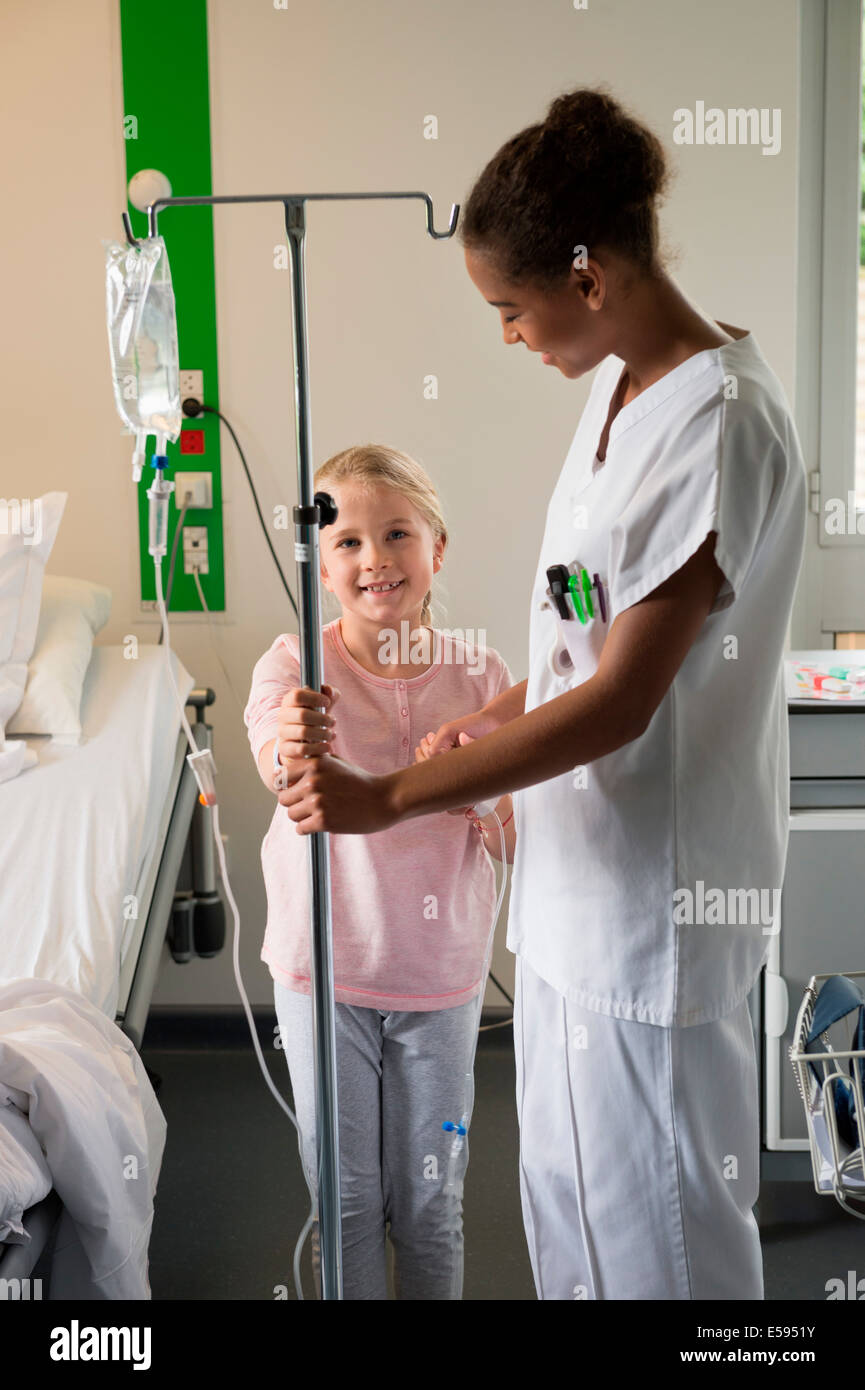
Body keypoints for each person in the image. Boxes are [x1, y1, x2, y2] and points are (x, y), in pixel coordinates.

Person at [277, 86, 808, 1300]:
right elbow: (589, 625)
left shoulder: (718, 422)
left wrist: (391, 792)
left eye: (510, 308)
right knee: (569, 1231)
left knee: (664, 1248)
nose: (507, 335)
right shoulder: (614, 392)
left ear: (589, 274)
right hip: (572, 905)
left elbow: (623, 702)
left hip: (655, 915)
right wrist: (508, 706)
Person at [243, 443, 516, 1300]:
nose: (375, 558)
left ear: (438, 549)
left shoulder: (483, 678)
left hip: (438, 988)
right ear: (321, 568)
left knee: (431, 1199)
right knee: (347, 1200)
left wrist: (481, 789)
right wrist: (294, 741)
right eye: (348, 542)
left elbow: (513, 842)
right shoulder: (294, 670)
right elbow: (279, 772)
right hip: (325, 980)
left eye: (397, 533)